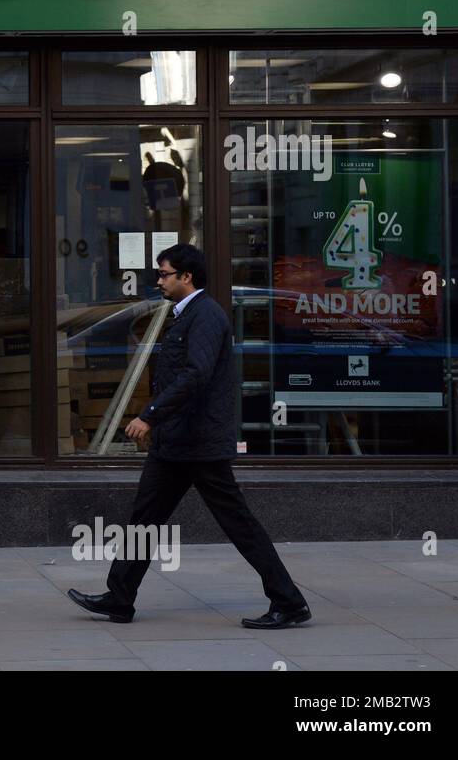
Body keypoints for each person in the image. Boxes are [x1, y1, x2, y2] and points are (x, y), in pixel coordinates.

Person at [67, 244, 311, 630]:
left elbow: (196, 375)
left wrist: (150, 414)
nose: (159, 280)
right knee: (144, 518)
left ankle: (289, 601)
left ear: (187, 277)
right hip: (175, 444)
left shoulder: (206, 316)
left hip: (198, 443)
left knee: (238, 524)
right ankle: (120, 597)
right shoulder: (186, 314)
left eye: (164, 274)